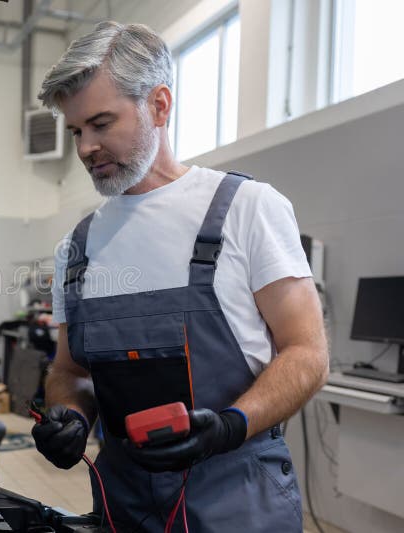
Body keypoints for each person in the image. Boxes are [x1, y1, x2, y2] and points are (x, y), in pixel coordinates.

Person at [30, 21, 329, 532]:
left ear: (159, 105)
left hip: (237, 499)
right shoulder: (76, 247)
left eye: (101, 123)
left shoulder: (246, 209)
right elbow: (70, 371)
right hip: (123, 504)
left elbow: (307, 354)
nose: (85, 148)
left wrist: (231, 426)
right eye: (77, 130)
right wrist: (71, 419)